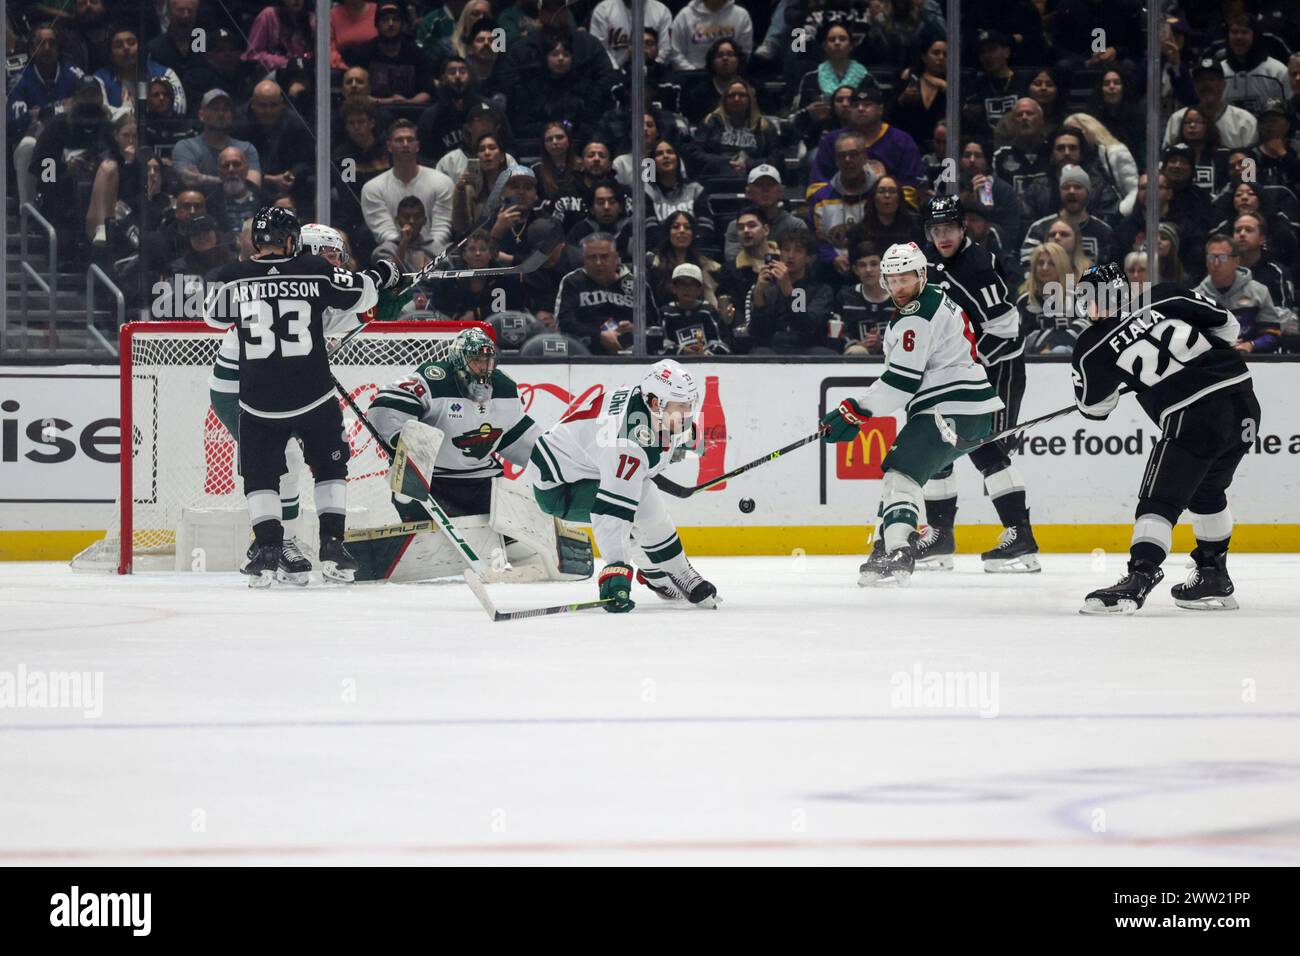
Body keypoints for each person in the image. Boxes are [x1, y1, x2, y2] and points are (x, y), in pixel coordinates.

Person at [202, 206, 405, 586]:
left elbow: (213, 316)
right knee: (310, 463)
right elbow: (354, 299)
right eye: (327, 254)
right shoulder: (314, 273)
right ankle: (296, 544)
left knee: (265, 470)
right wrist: (383, 276)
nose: (332, 260)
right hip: (261, 390)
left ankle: (268, 546)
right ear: (295, 243)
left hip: (258, 395)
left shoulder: (234, 278)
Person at [1072, 263, 1260, 614]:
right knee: (1206, 491)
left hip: (1193, 416)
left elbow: (1095, 409)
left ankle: (1139, 578)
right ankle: (1212, 577)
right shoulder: (1166, 293)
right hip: (1244, 405)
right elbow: (1229, 327)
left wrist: (1128, 378)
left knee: (1159, 500)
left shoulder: (1091, 345)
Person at [819, 241, 1003, 587]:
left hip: (947, 408)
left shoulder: (915, 315)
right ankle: (883, 546)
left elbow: (901, 383)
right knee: (901, 477)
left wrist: (855, 410)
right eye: (892, 280)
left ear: (922, 274)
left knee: (899, 475)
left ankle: (899, 552)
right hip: (975, 413)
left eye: (906, 279)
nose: (899, 288)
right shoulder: (935, 297)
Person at [525, 358, 719, 611]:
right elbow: (611, 513)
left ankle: (664, 577)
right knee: (641, 504)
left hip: (582, 464)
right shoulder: (627, 445)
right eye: (679, 407)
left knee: (640, 507)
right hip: (558, 486)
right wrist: (616, 569)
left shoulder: (644, 402)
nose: (687, 414)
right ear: (653, 403)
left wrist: (681, 440)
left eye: (689, 406)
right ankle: (677, 573)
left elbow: (655, 436)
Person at [919, 196, 1041, 572]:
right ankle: (941, 537)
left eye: (949, 229)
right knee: (938, 444)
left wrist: (966, 363)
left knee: (985, 449)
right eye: (936, 230)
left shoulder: (977, 266)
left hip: (998, 367)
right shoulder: (932, 263)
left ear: (963, 228)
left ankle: (1020, 537)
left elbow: (1006, 330)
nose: (942, 236)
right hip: (962, 370)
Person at [368, 326, 541, 521]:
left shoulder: (505, 389)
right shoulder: (434, 379)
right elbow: (385, 405)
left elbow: (516, 436)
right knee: (406, 464)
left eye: (488, 361)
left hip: (482, 480)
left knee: (516, 533)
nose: (484, 367)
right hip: (433, 481)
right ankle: (410, 502)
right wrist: (403, 441)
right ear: (459, 360)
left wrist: (547, 460)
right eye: (477, 360)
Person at [361, 120, 454, 256]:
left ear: (417, 145)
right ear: (389, 146)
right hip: (394, 257)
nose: (405, 144)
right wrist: (405, 252)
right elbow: (384, 233)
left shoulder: (442, 182)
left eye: (410, 139)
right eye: (399, 140)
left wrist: (427, 258)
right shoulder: (372, 189)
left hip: (435, 258)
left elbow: (442, 230)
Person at [554, 233, 655, 353]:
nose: (598, 263)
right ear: (583, 259)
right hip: (585, 353)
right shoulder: (573, 282)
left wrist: (635, 328)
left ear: (617, 258)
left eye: (604, 257)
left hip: (633, 353)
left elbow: (654, 326)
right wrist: (599, 335)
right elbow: (564, 323)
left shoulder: (637, 285)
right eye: (592, 257)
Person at [1193, 235, 1284, 354]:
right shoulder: (1195, 298)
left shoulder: (1258, 292)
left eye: (1223, 258)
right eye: (1211, 257)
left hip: (1254, 362)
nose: (1216, 263)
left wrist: (1251, 345)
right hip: (1211, 362)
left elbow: (1273, 334)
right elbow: (1188, 340)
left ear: (1236, 261)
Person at [657, 264, 729, 356]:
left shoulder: (708, 311)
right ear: (674, 288)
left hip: (707, 364)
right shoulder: (666, 312)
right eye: (682, 285)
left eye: (692, 285)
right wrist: (681, 351)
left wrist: (707, 353)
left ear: (700, 290)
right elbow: (661, 345)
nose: (687, 289)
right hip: (675, 366)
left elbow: (722, 342)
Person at [835, 240, 893, 355]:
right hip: (854, 364)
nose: (868, 270)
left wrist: (881, 346)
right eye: (862, 265)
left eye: (874, 264)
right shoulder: (845, 297)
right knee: (858, 351)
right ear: (855, 270)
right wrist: (858, 346)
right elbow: (836, 335)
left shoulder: (902, 299)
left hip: (894, 363)